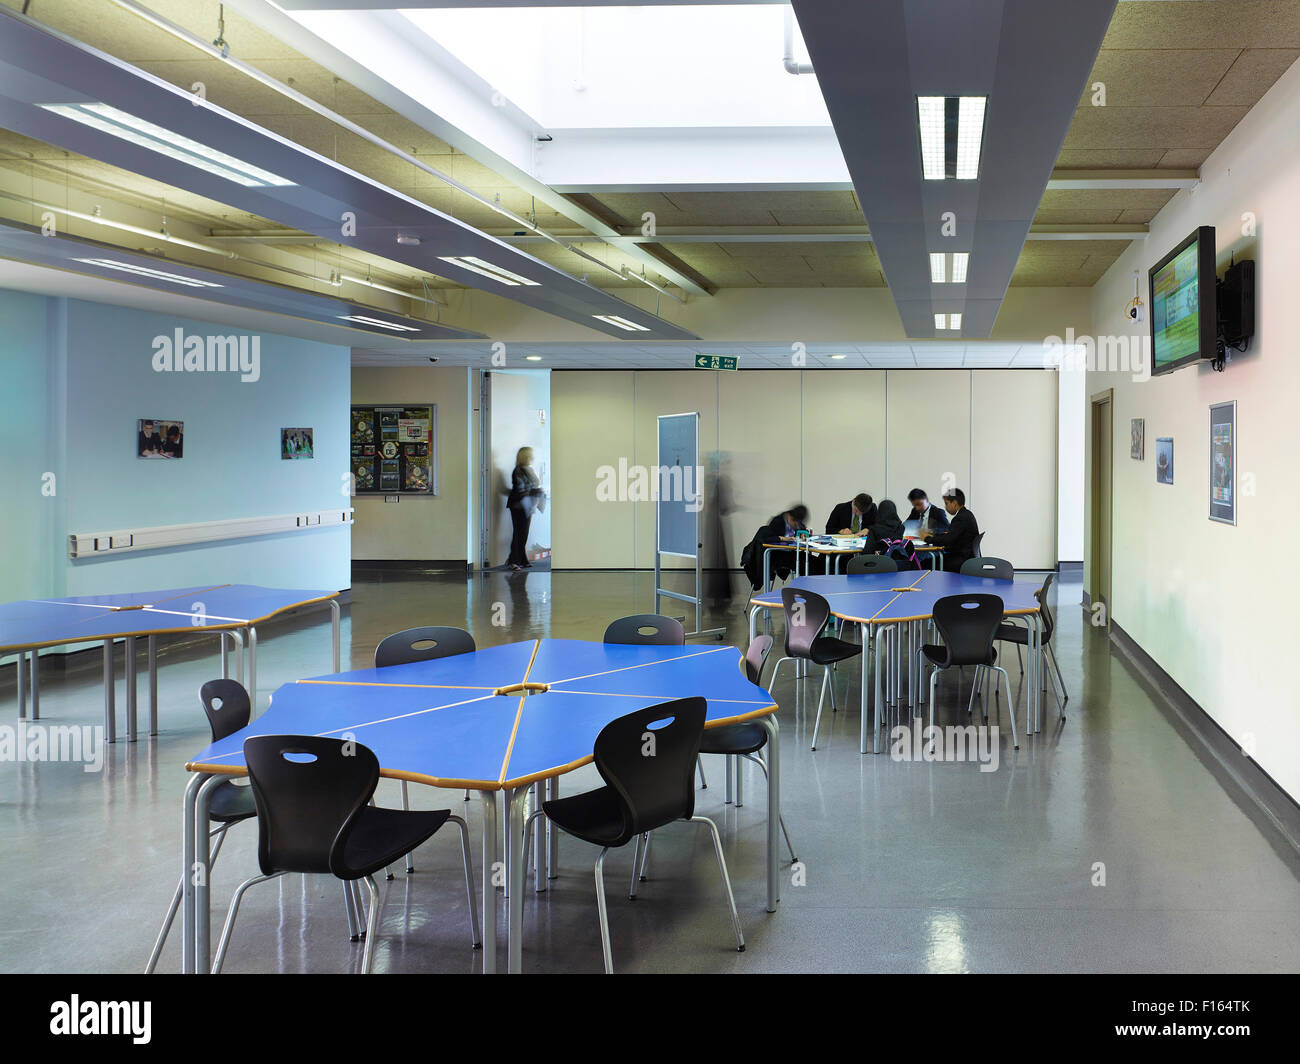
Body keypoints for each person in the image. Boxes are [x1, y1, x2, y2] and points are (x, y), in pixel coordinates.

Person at [920, 488, 979, 572]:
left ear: (954, 503)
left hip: (961, 560)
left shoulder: (960, 518)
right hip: (966, 557)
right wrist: (934, 536)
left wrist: (927, 539)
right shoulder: (967, 514)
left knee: (924, 563)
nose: (945, 507)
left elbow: (948, 539)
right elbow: (951, 535)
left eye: (946, 503)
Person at [506, 446, 543, 571]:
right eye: (530, 455)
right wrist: (534, 491)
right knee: (519, 532)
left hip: (527, 504)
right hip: (518, 504)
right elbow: (522, 488)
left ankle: (521, 559)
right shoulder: (519, 470)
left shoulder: (528, 469)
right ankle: (513, 561)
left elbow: (535, 483)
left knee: (524, 533)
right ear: (525, 457)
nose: (532, 457)